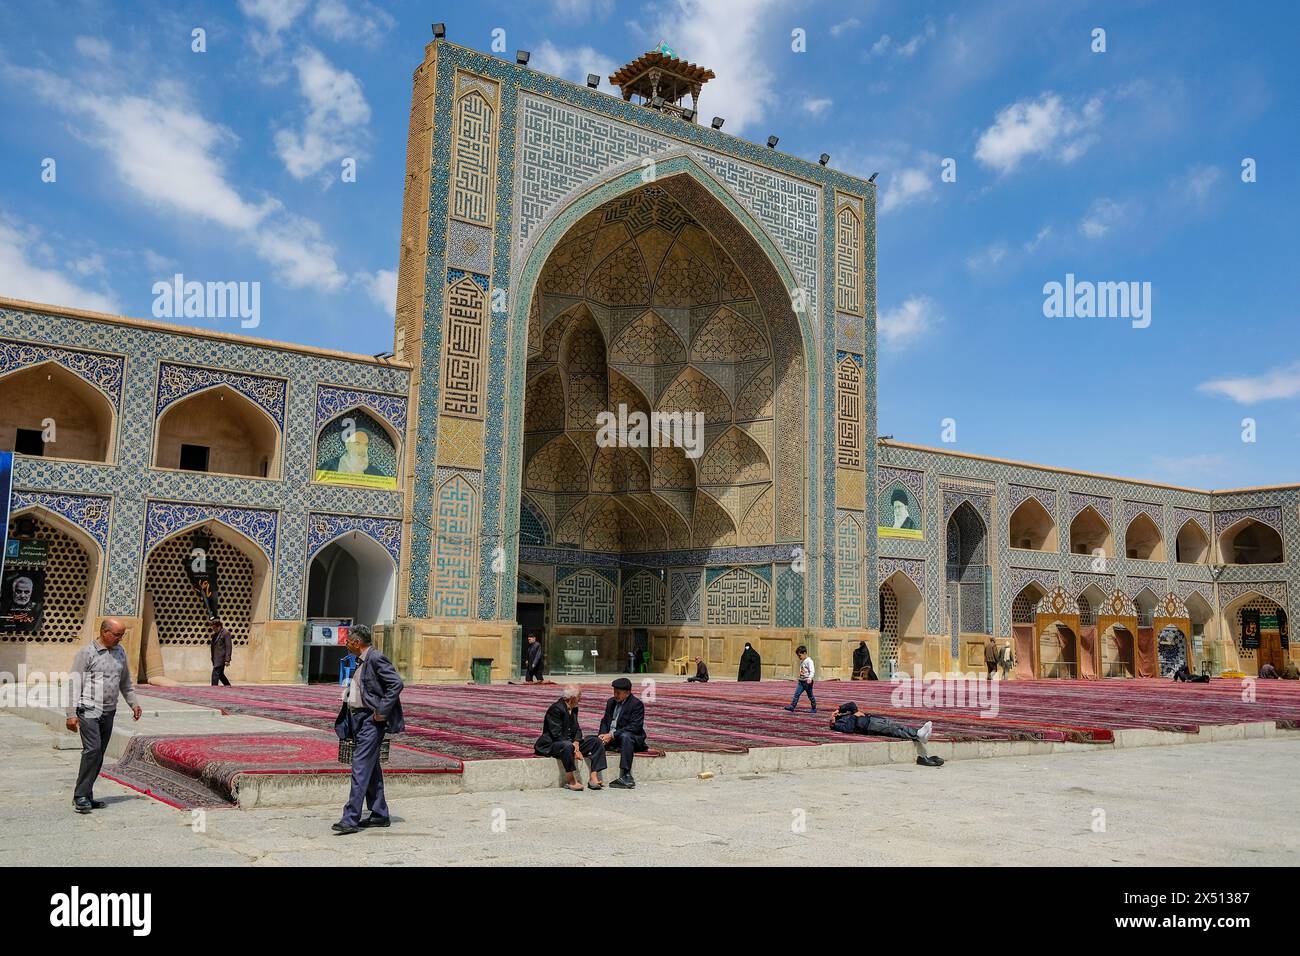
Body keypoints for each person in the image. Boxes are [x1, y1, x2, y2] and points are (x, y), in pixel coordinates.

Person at [333, 625, 405, 834]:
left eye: (348, 641)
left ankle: (350, 818)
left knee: (360, 767)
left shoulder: (375, 658)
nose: (346, 644)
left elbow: (396, 684)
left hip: (371, 721)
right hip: (359, 720)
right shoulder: (360, 660)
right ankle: (379, 813)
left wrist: (381, 713)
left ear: (357, 642)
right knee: (371, 768)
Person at [65, 618, 142, 813]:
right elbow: (75, 683)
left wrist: (133, 703)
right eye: (117, 635)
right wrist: (71, 713)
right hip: (89, 708)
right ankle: (80, 795)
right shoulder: (87, 652)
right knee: (92, 749)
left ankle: (87, 794)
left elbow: (125, 681)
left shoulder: (120, 652)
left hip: (109, 710)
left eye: (122, 635)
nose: (120, 639)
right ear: (104, 632)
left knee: (99, 753)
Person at [535, 686, 607, 791]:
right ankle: (571, 780)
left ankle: (593, 777)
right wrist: (574, 747)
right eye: (579, 697)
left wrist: (577, 744)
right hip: (554, 744)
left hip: (571, 744)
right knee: (567, 745)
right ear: (573, 698)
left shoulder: (574, 709)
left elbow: (577, 729)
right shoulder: (556, 709)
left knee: (596, 741)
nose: (580, 699)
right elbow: (557, 735)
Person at [829, 702, 944, 767]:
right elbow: (849, 729)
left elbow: (852, 705)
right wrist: (836, 723)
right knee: (893, 729)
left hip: (872, 719)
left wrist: (839, 709)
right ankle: (918, 734)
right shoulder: (839, 724)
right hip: (869, 726)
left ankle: (919, 734)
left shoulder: (844, 715)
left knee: (896, 725)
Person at [598, 677, 647, 789]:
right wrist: (602, 734)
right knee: (591, 740)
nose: (615, 695)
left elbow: (634, 727)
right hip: (612, 737)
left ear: (628, 693)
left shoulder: (636, 704)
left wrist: (612, 735)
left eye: (618, 693)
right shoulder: (611, 702)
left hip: (630, 737)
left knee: (626, 737)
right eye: (614, 692)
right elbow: (605, 720)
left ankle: (626, 774)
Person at [784, 645, 816, 713]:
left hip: (807, 682)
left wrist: (810, 678)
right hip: (801, 682)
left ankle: (814, 708)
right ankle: (792, 706)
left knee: (810, 696)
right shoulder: (802, 661)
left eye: (800, 655)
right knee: (796, 694)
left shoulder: (809, 661)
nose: (799, 657)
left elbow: (812, 670)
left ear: (804, 653)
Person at [209, 618, 233, 686]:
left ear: (219, 626)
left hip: (221, 658)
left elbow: (229, 647)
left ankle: (214, 689)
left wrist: (227, 659)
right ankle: (228, 686)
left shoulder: (226, 633)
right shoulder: (215, 634)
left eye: (214, 628)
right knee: (220, 675)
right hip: (216, 658)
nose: (213, 630)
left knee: (215, 674)